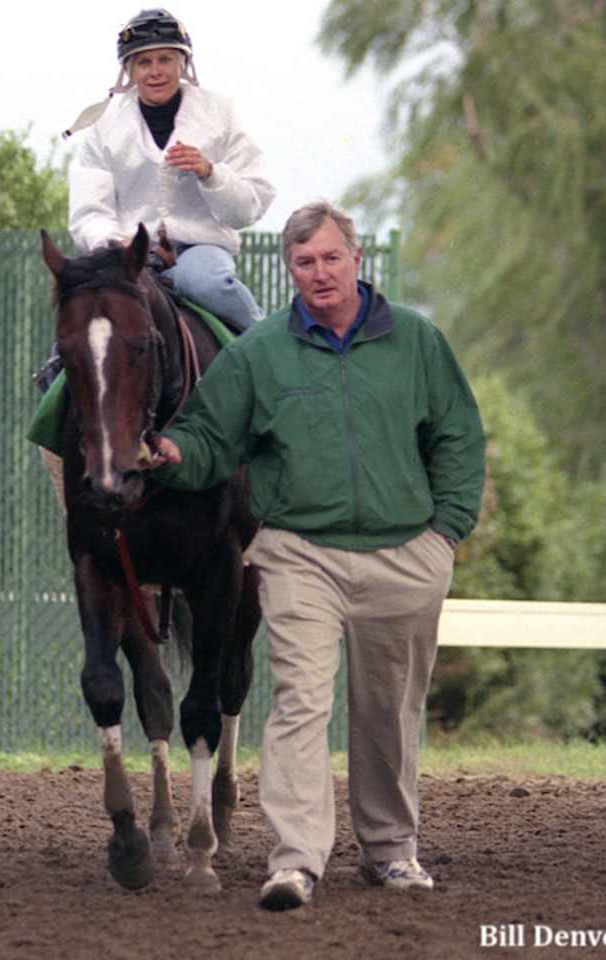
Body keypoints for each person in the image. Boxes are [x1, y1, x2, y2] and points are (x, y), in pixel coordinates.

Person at [149, 201, 486, 911]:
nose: (320, 272)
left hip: (406, 555)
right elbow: (213, 437)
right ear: (290, 269)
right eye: (304, 262)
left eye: (332, 258)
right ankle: (296, 861)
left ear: (356, 260)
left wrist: (446, 532)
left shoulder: (418, 342)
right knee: (301, 703)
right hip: (301, 554)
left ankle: (391, 851)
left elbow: (458, 434)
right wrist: (176, 453)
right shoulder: (259, 352)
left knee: (389, 709)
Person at [63, 7, 275, 331]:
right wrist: (116, 243)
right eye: (144, 62)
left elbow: (248, 207)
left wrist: (210, 173)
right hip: (128, 256)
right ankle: (54, 378)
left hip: (199, 249)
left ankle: (266, 350)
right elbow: (88, 213)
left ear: (183, 64)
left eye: (166, 60)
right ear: (129, 72)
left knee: (207, 284)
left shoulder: (220, 114)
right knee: (85, 313)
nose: (155, 72)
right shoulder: (103, 127)